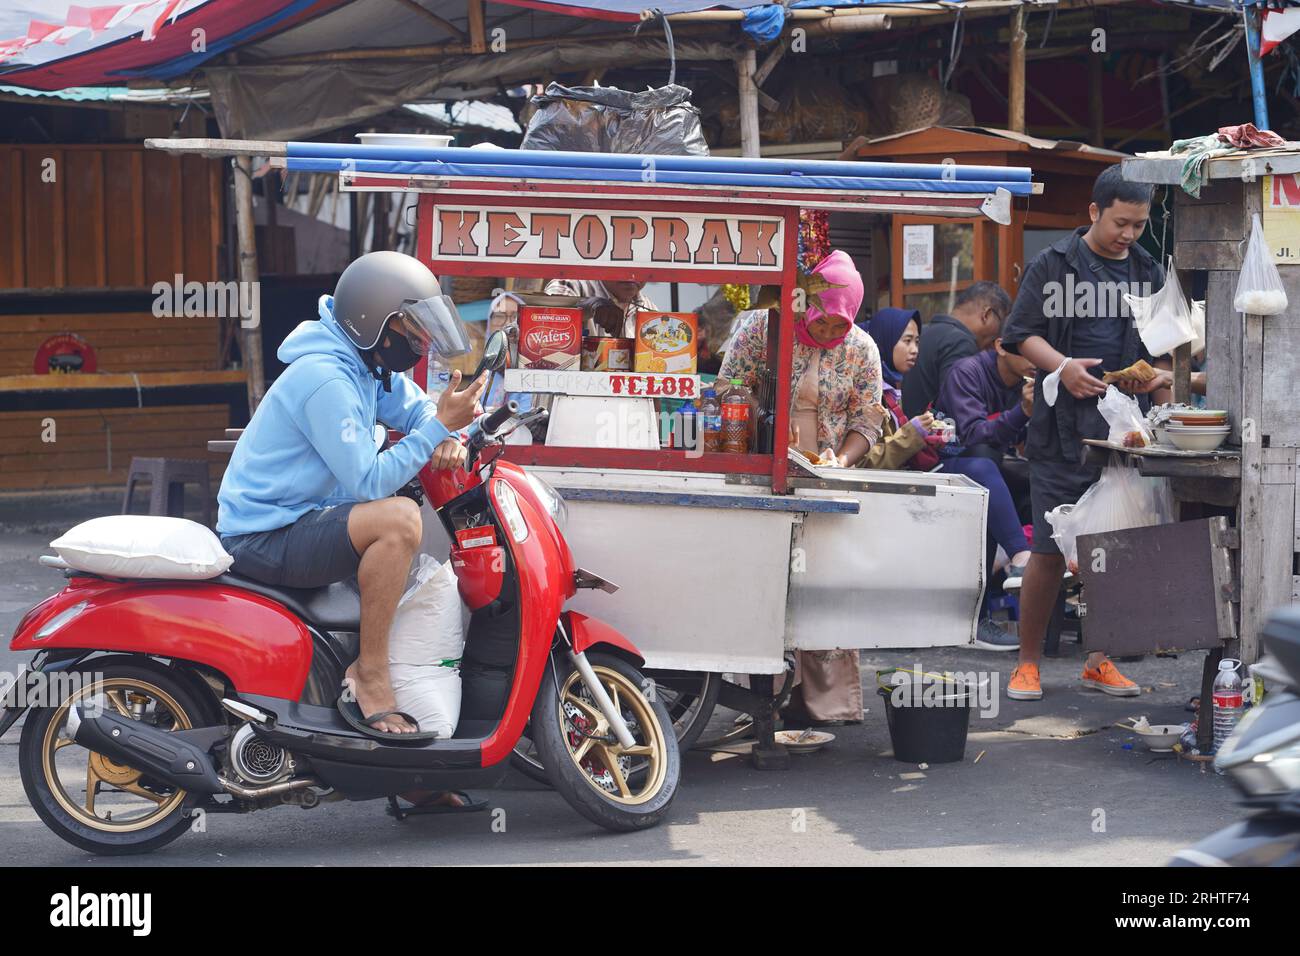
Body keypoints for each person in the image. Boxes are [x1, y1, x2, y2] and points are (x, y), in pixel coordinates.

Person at [217, 251, 489, 742]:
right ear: (374, 323)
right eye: (412, 331)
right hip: (263, 537)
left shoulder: (366, 369)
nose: (420, 343)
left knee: (402, 527)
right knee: (399, 522)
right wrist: (436, 431)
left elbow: (420, 410)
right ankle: (371, 675)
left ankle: (406, 765)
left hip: (303, 521)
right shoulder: (326, 378)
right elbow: (367, 482)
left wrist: (451, 433)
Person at [1000, 163, 1173, 701]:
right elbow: (1017, 336)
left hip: (1125, 434)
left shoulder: (1148, 270)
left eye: (1138, 225)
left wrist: (1165, 407)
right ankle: (1027, 663)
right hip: (1060, 432)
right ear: (1094, 211)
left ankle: (1100, 660)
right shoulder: (1052, 266)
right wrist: (1062, 367)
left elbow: (1161, 348)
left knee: (1117, 546)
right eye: (1120, 222)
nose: (1128, 234)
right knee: (1051, 549)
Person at [719, 250, 885, 722]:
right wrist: (764, 422)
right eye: (823, 323)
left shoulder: (861, 349)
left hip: (826, 478)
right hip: (761, 472)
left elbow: (868, 418)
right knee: (767, 577)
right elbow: (730, 385)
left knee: (823, 580)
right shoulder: (761, 329)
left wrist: (840, 459)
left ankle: (826, 702)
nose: (830, 335)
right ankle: (760, 699)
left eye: (840, 326)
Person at [864, 309, 1025, 651]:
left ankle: (981, 612)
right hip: (883, 489)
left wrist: (927, 437)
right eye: (906, 341)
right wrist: (915, 434)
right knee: (980, 472)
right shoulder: (870, 392)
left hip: (911, 477)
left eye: (917, 341)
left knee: (985, 484)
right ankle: (1018, 564)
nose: (915, 350)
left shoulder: (893, 387)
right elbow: (871, 458)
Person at [936, 333, 1037, 523]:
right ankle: (1019, 550)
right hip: (955, 464)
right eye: (1028, 350)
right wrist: (1022, 411)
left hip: (1003, 466)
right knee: (983, 456)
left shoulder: (1030, 382)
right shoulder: (967, 371)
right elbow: (974, 436)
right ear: (1000, 346)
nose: (1036, 359)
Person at [901, 282, 1011, 417]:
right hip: (932, 435)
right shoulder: (961, 343)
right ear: (986, 315)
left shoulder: (923, 331)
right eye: (1001, 323)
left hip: (908, 431)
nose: (1001, 332)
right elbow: (958, 406)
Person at [543, 277, 658, 337]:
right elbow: (542, 321)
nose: (632, 275)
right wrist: (588, 307)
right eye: (625, 263)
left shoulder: (649, 308)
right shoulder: (570, 285)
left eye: (640, 267)